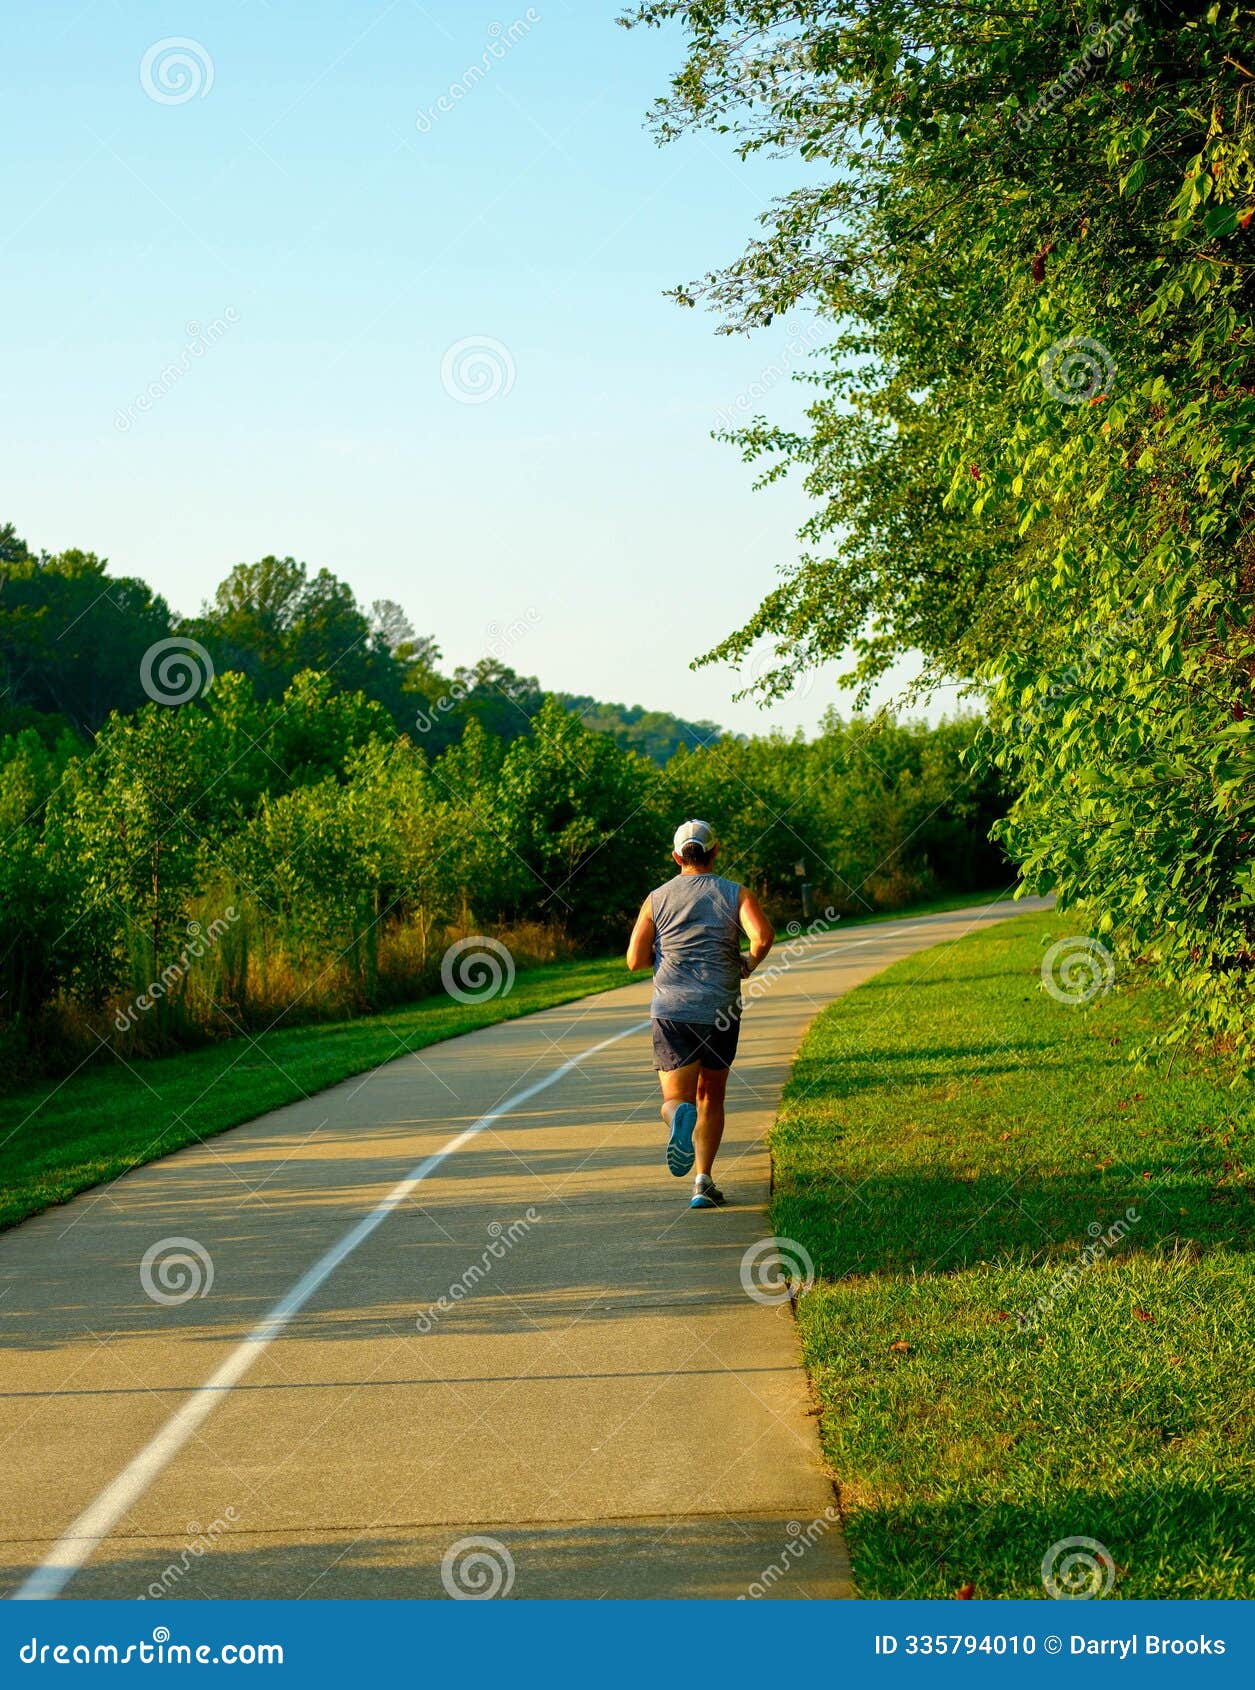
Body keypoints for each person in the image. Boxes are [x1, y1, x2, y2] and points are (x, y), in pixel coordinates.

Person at [625, 819, 774, 1209]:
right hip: (720, 1011)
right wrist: (748, 963)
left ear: (676, 857)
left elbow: (634, 960)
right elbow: (763, 936)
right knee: (713, 1096)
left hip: (673, 1011)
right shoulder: (735, 893)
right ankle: (703, 1182)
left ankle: (677, 1116)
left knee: (677, 1099)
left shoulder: (656, 898)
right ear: (715, 852)